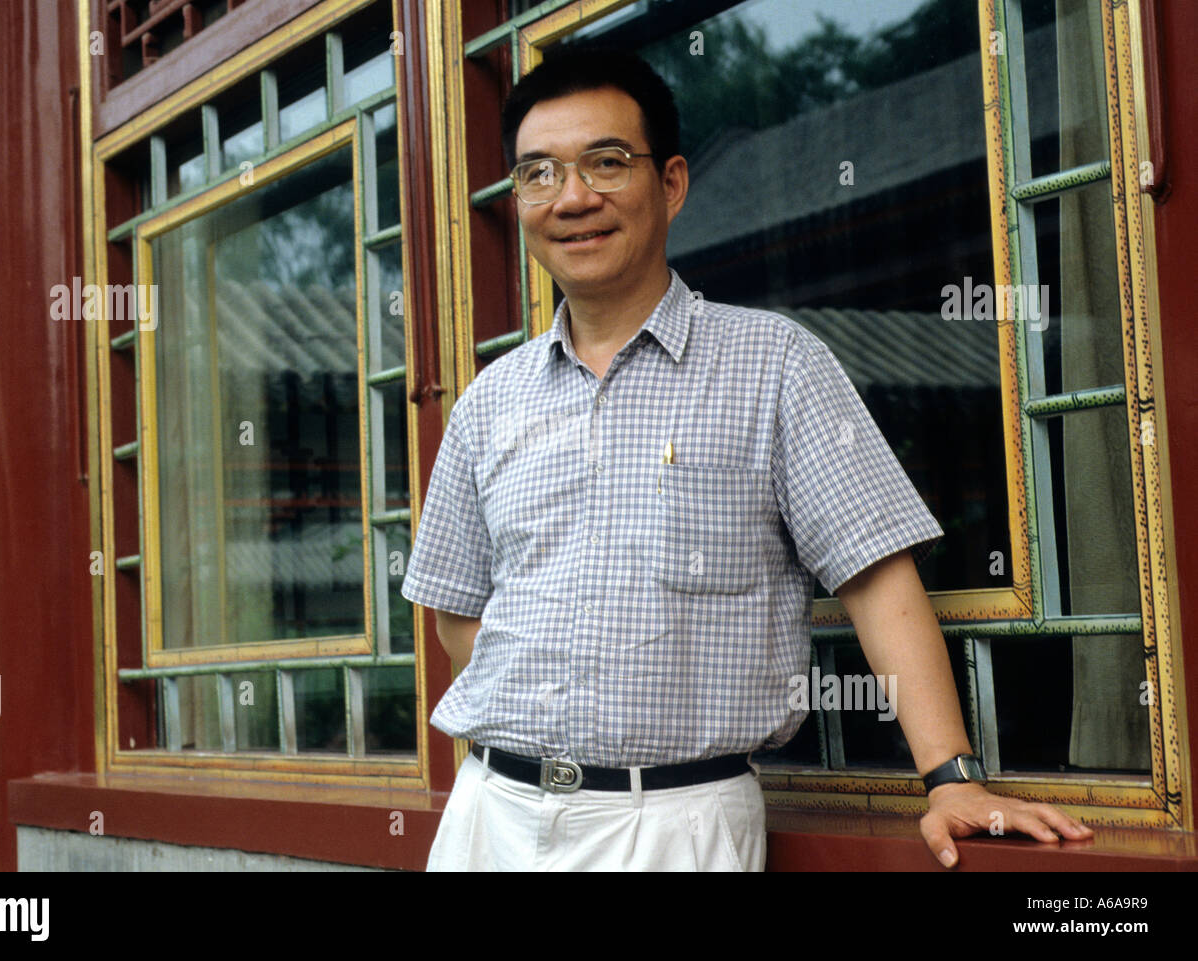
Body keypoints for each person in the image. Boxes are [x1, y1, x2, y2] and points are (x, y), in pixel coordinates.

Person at [401, 48, 1093, 871]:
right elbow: (459, 613)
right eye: (538, 173)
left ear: (673, 183)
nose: (572, 197)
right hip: (492, 817)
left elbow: (875, 577)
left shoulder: (775, 365)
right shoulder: (490, 398)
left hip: (669, 825)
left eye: (606, 162)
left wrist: (948, 777)